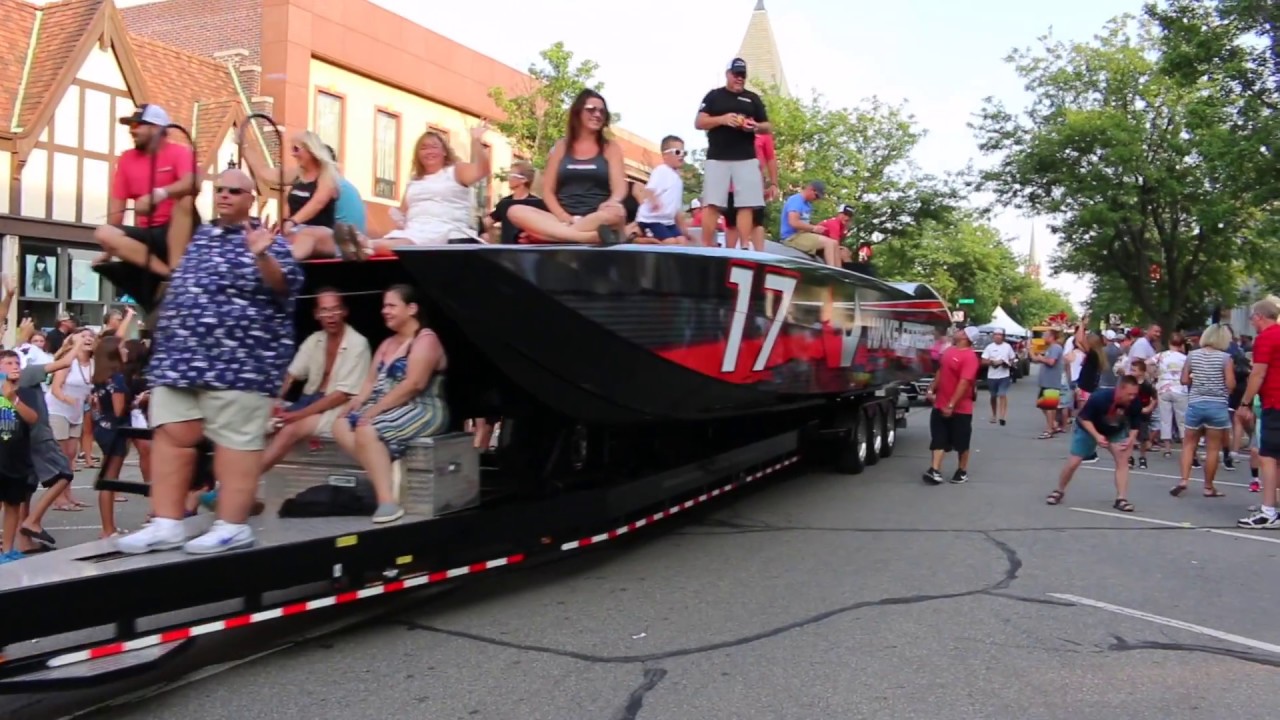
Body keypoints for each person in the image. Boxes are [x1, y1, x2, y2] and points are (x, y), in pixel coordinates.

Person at [116, 169, 304, 555]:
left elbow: (284, 286)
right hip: (181, 360)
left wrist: (262, 253)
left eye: (235, 190)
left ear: (251, 198)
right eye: (220, 189)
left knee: (236, 443)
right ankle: (167, 523)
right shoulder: (197, 238)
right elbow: (181, 209)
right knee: (171, 435)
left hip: (239, 364)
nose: (225, 195)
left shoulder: (269, 240)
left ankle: (233, 526)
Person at [331, 285, 449, 524]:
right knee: (340, 425)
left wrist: (375, 410)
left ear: (412, 309)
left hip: (423, 408)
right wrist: (358, 402)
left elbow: (414, 384)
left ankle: (387, 502)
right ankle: (387, 467)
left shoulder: (426, 339)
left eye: (391, 306)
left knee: (366, 428)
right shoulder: (387, 344)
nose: (385, 311)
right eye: (384, 306)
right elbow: (370, 381)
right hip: (389, 406)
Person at [506, 90, 628, 245]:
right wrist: (565, 217)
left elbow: (619, 188)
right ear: (578, 112)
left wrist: (612, 202)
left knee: (617, 214)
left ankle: (555, 235)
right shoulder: (560, 147)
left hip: (598, 217)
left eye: (602, 111)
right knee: (514, 211)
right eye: (591, 109)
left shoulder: (611, 147)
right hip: (562, 219)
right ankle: (588, 237)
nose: (597, 114)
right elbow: (548, 191)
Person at [93, 104, 200, 279]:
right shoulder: (126, 159)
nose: (131, 131)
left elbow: (193, 183)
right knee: (103, 232)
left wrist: (159, 194)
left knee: (186, 198)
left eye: (137, 126)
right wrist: (108, 250)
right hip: (148, 232)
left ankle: (175, 266)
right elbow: (116, 211)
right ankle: (168, 276)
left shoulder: (180, 152)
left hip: (180, 230)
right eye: (130, 126)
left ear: (156, 128)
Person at [366, 128, 491, 250]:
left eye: (434, 147)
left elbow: (482, 170)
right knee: (395, 242)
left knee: (404, 242)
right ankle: (366, 245)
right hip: (414, 230)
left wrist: (476, 140)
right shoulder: (415, 182)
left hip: (446, 229)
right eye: (424, 148)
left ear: (444, 152)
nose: (429, 151)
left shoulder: (456, 171)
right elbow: (400, 215)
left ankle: (366, 245)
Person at [695, 58, 770, 248]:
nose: (739, 78)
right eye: (736, 74)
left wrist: (753, 126)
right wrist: (723, 119)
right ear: (728, 74)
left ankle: (744, 245)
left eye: (743, 75)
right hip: (718, 156)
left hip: (745, 156)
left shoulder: (752, 98)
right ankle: (706, 245)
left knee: (746, 203)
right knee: (712, 202)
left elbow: (768, 126)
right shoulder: (714, 96)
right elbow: (699, 122)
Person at [1046, 375, 1143, 512]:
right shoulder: (1100, 398)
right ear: (1120, 390)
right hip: (1089, 428)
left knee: (1123, 460)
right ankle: (1059, 490)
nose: (1132, 397)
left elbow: (1135, 423)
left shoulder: (1135, 402)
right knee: (1074, 462)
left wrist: (1131, 438)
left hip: (1114, 430)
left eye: (1135, 394)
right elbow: (1084, 418)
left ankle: (1121, 499)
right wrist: (1097, 436)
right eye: (1129, 394)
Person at [1170, 323, 1234, 498]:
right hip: (1217, 406)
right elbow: (1230, 385)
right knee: (1213, 449)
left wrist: (1196, 380)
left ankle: (1183, 479)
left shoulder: (1192, 355)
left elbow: (1184, 380)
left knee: (1189, 445)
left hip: (1196, 404)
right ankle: (1208, 487)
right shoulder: (1225, 358)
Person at [923, 326, 980, 485]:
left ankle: (961, 471)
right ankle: (934, 470)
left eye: (961, 331)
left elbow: (964, 383)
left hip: (961, 408)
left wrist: (951, 404)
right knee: (938, 438)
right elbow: (942, 371)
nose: (957, 332)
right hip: (940, 403)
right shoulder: (949, 351)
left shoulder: (970, 357)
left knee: (961, 442)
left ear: (965, 337)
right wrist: (932, 387)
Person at [0, 350, 38, 563]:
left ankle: (7, 550)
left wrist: (13, 398)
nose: (15, 366)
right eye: (8, 363)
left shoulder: (25, 393)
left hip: (17, 458)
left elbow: (33, 418)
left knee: (13, 505)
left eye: (17, 363)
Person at [634, 135, 690, 244]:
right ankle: (638, 239)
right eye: (677, 152)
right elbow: (650, 189)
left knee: (683, 242)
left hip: (668, 221)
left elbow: (676, 208)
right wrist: (655, 202)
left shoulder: (678, 178)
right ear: (665, 155)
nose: (682, 155)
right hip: (651, 220)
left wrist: (684, 230)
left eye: (684, 153)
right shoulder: (661, 170)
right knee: (670, 242)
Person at [485, 160, 547, 245]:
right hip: (506, 254)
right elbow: (487, 223)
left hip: (530, 253)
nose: (508, 178)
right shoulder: (505, 203)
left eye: (511, 175)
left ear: (523, 180)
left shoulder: (536, 204)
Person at [779, 182, 841, 265]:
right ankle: (831, 272)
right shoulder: (796, 200)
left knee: (834, 243)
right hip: (792, 237)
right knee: (829, 243)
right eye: (817, 196)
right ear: (811, 189)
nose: (816, 199)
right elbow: (793, 222)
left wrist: (816, 228)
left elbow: (805, 223)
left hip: (803, 235)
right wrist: (813, 228)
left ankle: (839, 273)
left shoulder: (807, 205)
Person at [1031, 328, 1064, 438]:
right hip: (1045, 382)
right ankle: (1053, 424)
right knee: (1042, 405)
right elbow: (1036, 359)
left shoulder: (1055, 348)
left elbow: (1051, 362)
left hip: (1052, 382)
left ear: (1051, 337)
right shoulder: (1050, 348)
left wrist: (1041, 358)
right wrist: (1031, 351)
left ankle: (1049, 430)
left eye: (1045, 335)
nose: (1043, 338)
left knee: (1050, 407)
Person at [981, 328, 1017, 425]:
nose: (997, 336)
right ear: (993, 336)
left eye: (999, 335)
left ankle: (1002, 416)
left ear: (1003, 337)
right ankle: (994, 414)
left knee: (1002, 394)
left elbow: (1012, 359)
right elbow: (983, 361)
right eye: (996, 334)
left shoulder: (1007, 347)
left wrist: (1008, 363)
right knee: (993, 396)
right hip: (992, 376)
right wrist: (992, 362)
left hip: (1004, 375)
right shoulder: (989, 347)